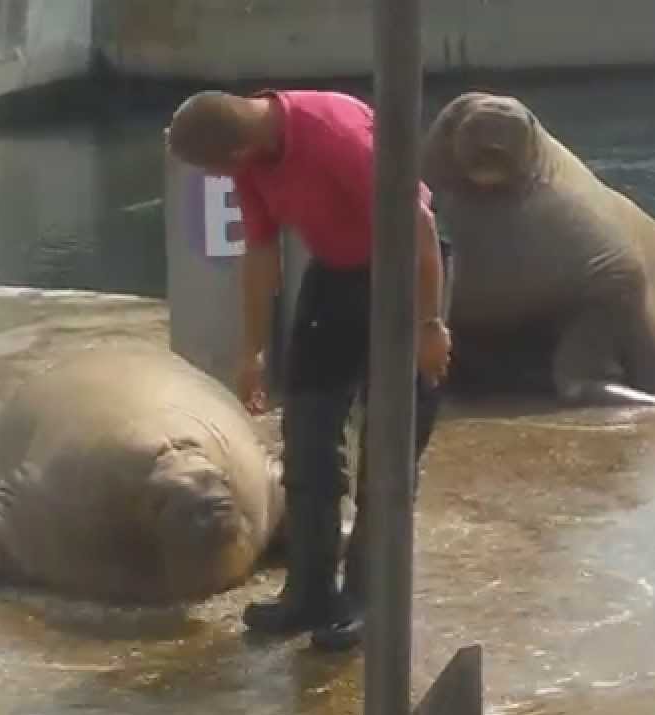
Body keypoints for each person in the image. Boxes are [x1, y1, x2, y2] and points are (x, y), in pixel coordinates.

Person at [165, 89, 451, 652]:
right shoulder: (250, 155)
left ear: (238, 148)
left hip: (402, 273)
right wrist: (252, 351)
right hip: (336, 275)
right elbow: (261, 253)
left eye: (217, 170)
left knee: (389, 448)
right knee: (308, 434)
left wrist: (427, 325)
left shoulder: (336, 137)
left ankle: (372, 596)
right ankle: (312, 591)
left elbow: (416, 227)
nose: (219, 178)